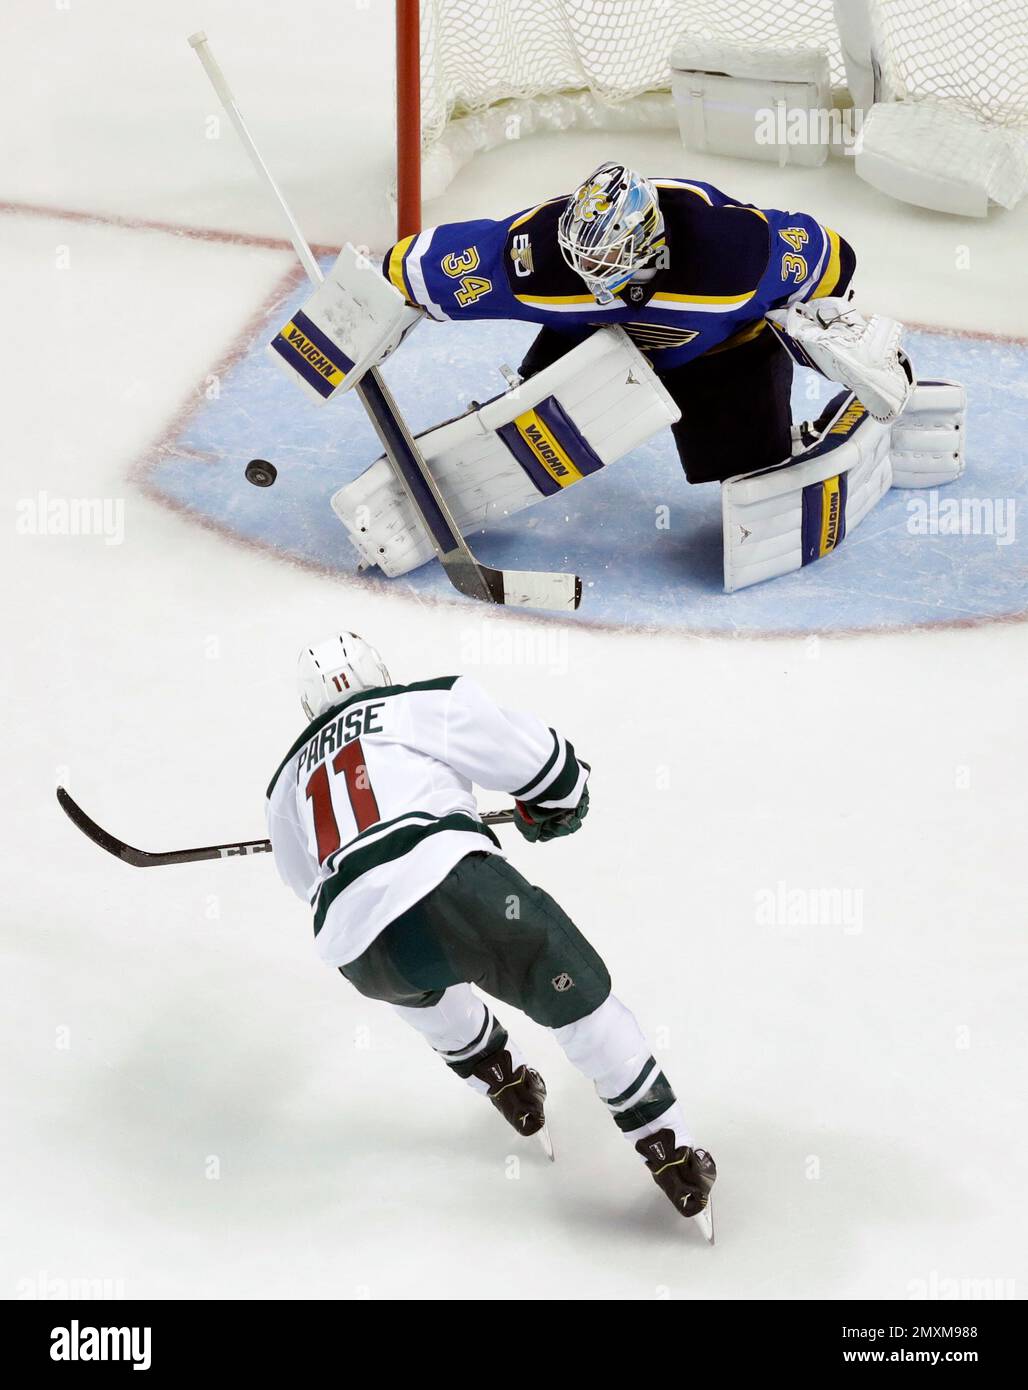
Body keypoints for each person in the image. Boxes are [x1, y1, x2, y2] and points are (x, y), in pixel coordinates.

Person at [265, 630, 716, 1230]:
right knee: (576, 996)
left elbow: (307, 883)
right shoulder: (420, 703)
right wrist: (555, 802)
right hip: (457, 889)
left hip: (360, 949)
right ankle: (672, 1149)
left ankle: (505, 1083)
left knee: (422, 988)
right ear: (382, 671)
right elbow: (545, 769)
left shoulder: (284, 784)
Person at [381, 160, 858, 484]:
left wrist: (831, 327)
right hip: (599, 341)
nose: (592, 273)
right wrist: (367, 314)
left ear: (648, 237)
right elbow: (419, 269)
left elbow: (831, 258)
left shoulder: (735, 253)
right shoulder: (535, 257)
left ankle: (779, 453)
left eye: (609, 256)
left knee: (741, 465)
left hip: (719, 349)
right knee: (534, 422)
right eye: (585, 257)